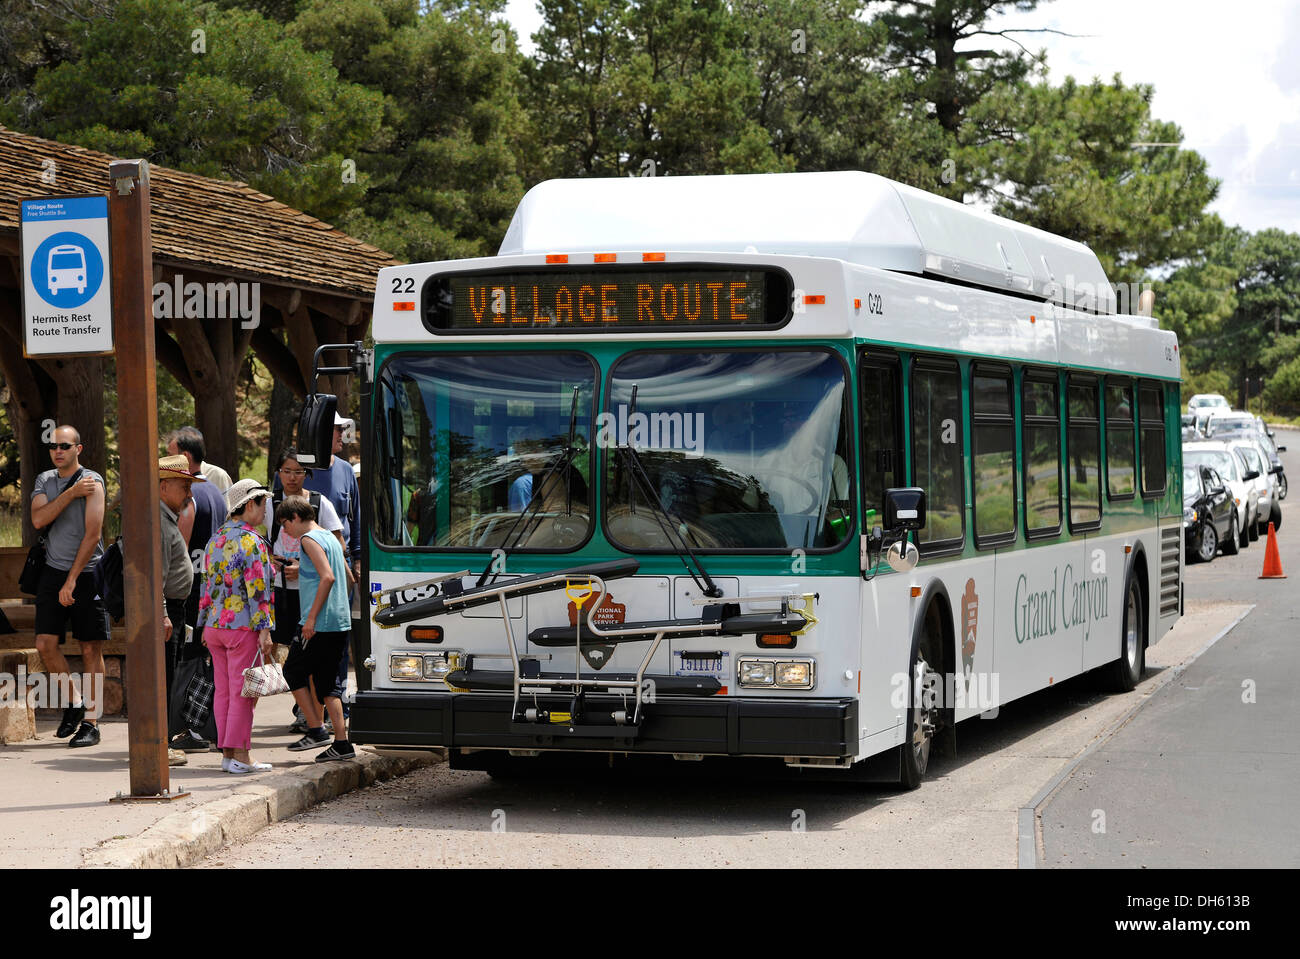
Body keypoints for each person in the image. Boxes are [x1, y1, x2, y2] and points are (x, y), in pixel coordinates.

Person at [30, 425, 109, 747]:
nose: (57, 451)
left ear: (79, 448)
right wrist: (70, 494)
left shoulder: (94, 482)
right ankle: (74, 701)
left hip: (87, 573)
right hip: (52, 572)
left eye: (64, 445)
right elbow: (38, 519)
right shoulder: (45, 481)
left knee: (90, 647)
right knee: (45, 644)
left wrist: (73, 579)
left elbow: (93, 534)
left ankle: (91, 721)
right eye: (53, 446)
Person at [196, 479, 275, 774]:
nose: (265, 509)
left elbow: (205, 585)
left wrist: (203, 623)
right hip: (242, 627)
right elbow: (259, 591)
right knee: (244, 693)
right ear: (250, 504)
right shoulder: (252, 540)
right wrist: (265, 630)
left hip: (215, 625)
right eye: (263, 503)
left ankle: (228, 754)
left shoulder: (214, 539)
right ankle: (241, 756)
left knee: (225, 692)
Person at [268, 448, 345, 733]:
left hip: (313, 595)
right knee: (289, 654)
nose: (291, 477)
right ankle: (310, 716)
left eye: (298, 471)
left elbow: (338, 546)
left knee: (310, 658)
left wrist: (302, 566)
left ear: (307, 474)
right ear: (278, 473)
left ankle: (313, 718)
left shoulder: (318, 503)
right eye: (286, 471)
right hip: (282, 589)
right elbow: (265, 542)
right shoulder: (270, 502)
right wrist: (273, 564)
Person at [275, 498, 356, 762]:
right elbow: (349, 577)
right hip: (339, 621)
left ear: (296, 516)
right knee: (328, 684)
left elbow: (328, 577)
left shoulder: (308, 540)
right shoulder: (330, 538)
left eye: (285, 524)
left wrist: (310, 619)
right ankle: (342, 744)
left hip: (318, 624)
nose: (285, 531)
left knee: (292, 670)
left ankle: (316, 729)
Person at [170, 435, 228, 752]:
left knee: (187, 661)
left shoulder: (190, 496)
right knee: (209, 662)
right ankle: (213, 726)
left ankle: (190, 729)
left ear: (186, 456)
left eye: (169, 456)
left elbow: (178, 550)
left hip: (191, 589)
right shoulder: (217, 494)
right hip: (213, 588)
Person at [157, 455, 200, 766]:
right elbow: (155, 572)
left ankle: (161, 743)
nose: (188, 492)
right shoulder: (158, 521)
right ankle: (159, 747)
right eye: (183, 485)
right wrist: (162, 612)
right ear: (163, 487)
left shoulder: (165, 518)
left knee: (168, 677)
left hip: (172, 609)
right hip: (167, 610)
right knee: (164, 677)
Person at [166, 426, 233, 493]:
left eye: (170, 455)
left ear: (186, 456)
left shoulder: (218, 476)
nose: (167, 460)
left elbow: (226, 503)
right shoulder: (169, 479)